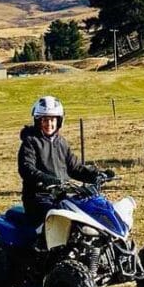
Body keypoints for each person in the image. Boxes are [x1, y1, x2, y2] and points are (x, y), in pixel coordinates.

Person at [18, 95, 113, 226]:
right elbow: (26, 168)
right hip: (38, 198)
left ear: (59, 121)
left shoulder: (61, 143)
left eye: (52, 120)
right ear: (38, 121)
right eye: (45, 120)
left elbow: (75, 168)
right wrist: (44, 178)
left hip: (61, 196)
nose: (49, 124)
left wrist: (97, 174)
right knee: (58, 220)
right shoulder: (30, 141)